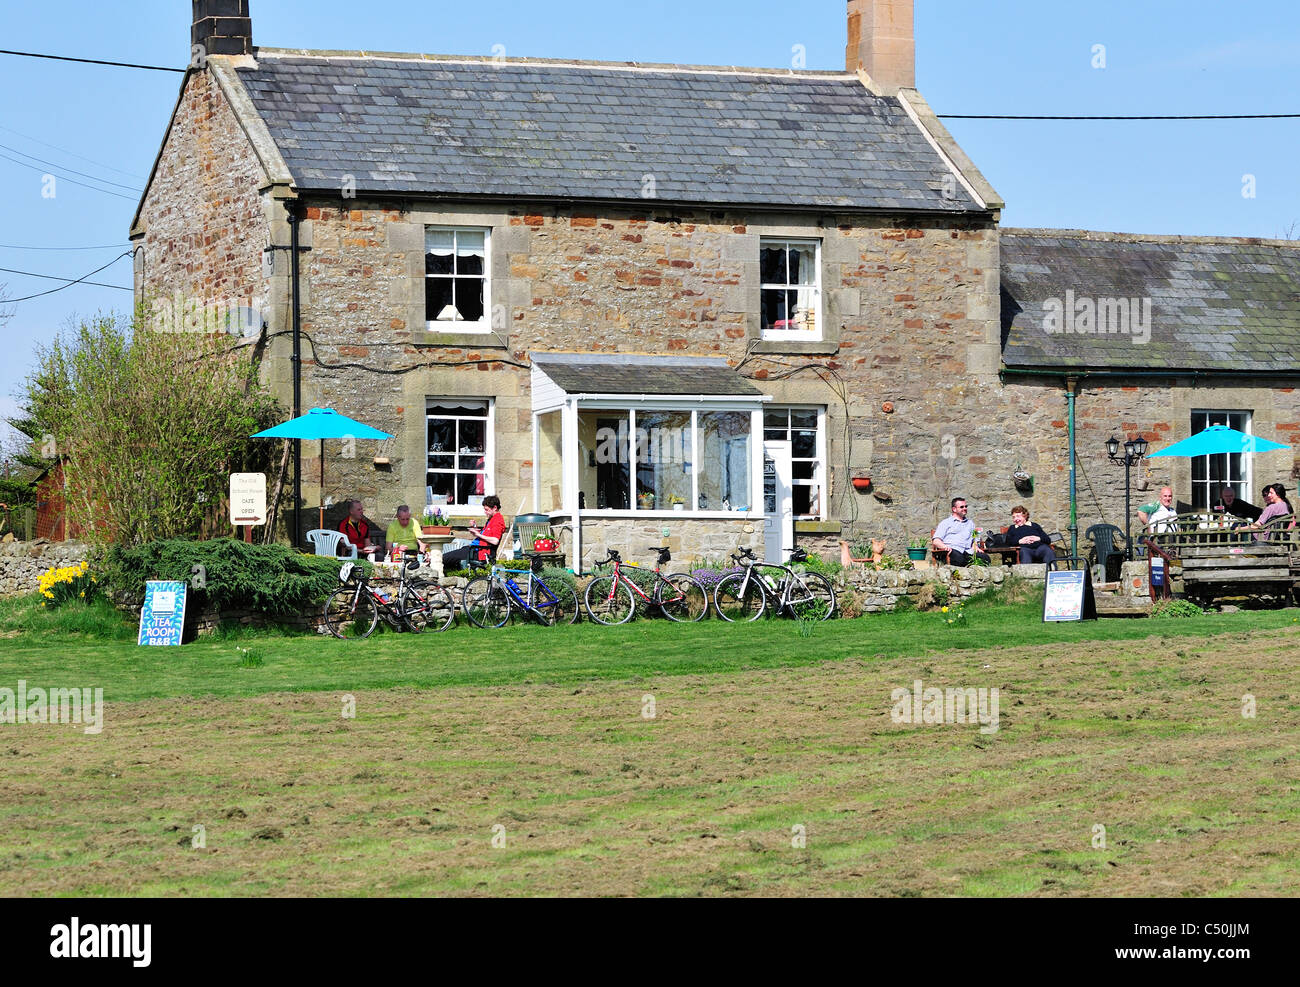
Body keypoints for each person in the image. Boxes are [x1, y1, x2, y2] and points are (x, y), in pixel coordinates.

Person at [442, 495, 506, 570]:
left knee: (443, 559)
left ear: (495, 508)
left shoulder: (498, 521)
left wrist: (478, 534)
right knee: (447, 560)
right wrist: (475, 528)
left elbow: (495, 541)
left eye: (487, 510)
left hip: (478, 552)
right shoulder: (491, 519)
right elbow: (485, 534)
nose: (485, 512)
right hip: (473, 548)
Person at [931, 496, 990, 566]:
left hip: (968, 552)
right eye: (962, 507)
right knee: (959, 559)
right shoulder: (946, 523)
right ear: (954, 509)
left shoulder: (971, 523)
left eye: (966, 506)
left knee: (986, 558)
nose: (965, 508)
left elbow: (975, 539)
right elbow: (936, 541)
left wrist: (975, 546)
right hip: (953, 551)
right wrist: (945, 547)